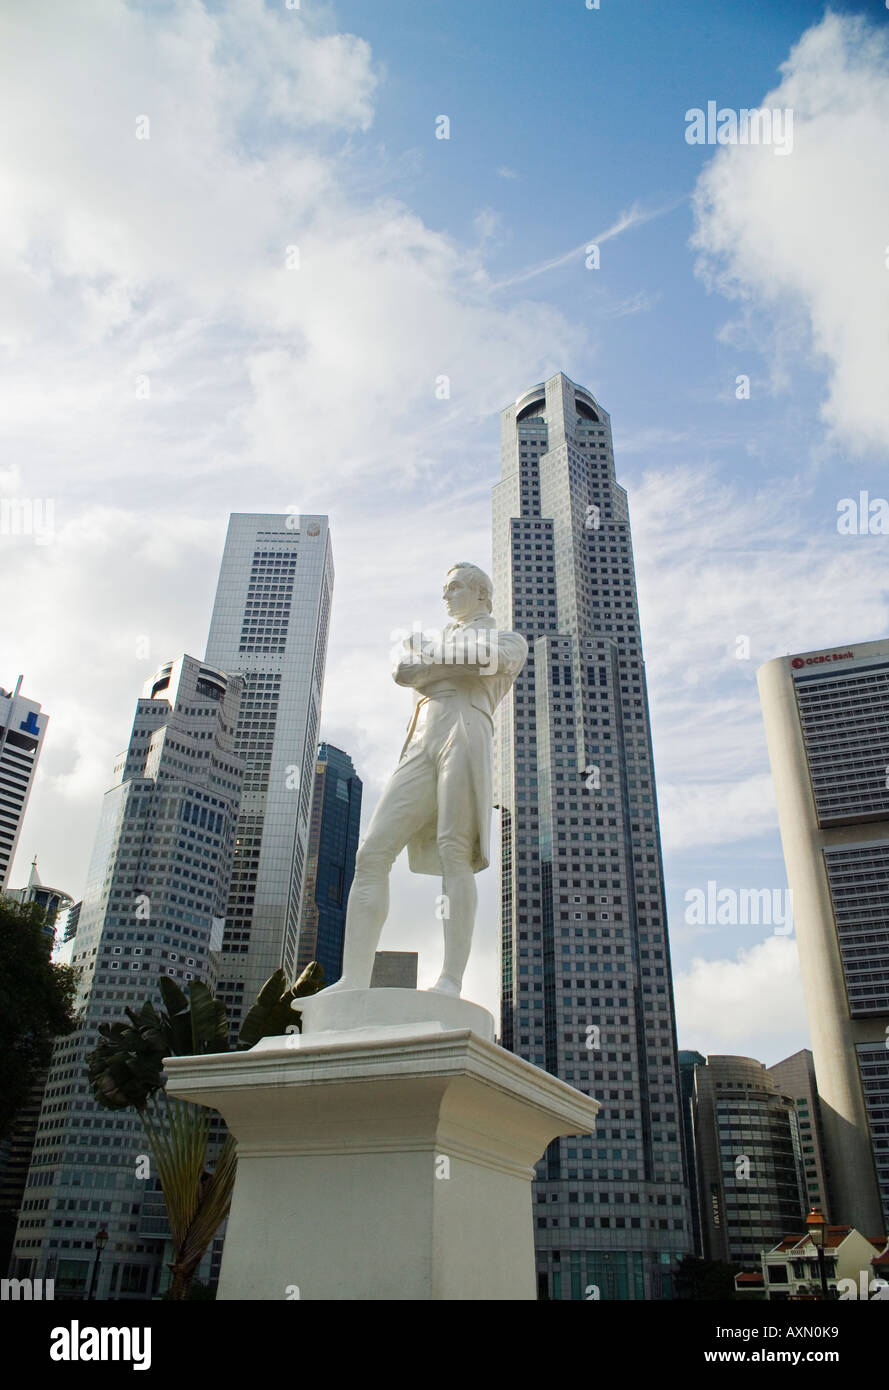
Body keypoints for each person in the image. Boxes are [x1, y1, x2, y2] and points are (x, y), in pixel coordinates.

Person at [322, 562, 527, 998]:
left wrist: (427, 653)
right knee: (373, 851)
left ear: (482, 595)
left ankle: (450, 979)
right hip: (419, 740)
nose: (446, 597)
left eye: (455, 588)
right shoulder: (447, 640)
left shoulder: (509, 639)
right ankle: (352, 980)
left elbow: (484, 658)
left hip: (466, 731)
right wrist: (438, 659)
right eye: (445, 589)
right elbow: (402, 671)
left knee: (456, 852)